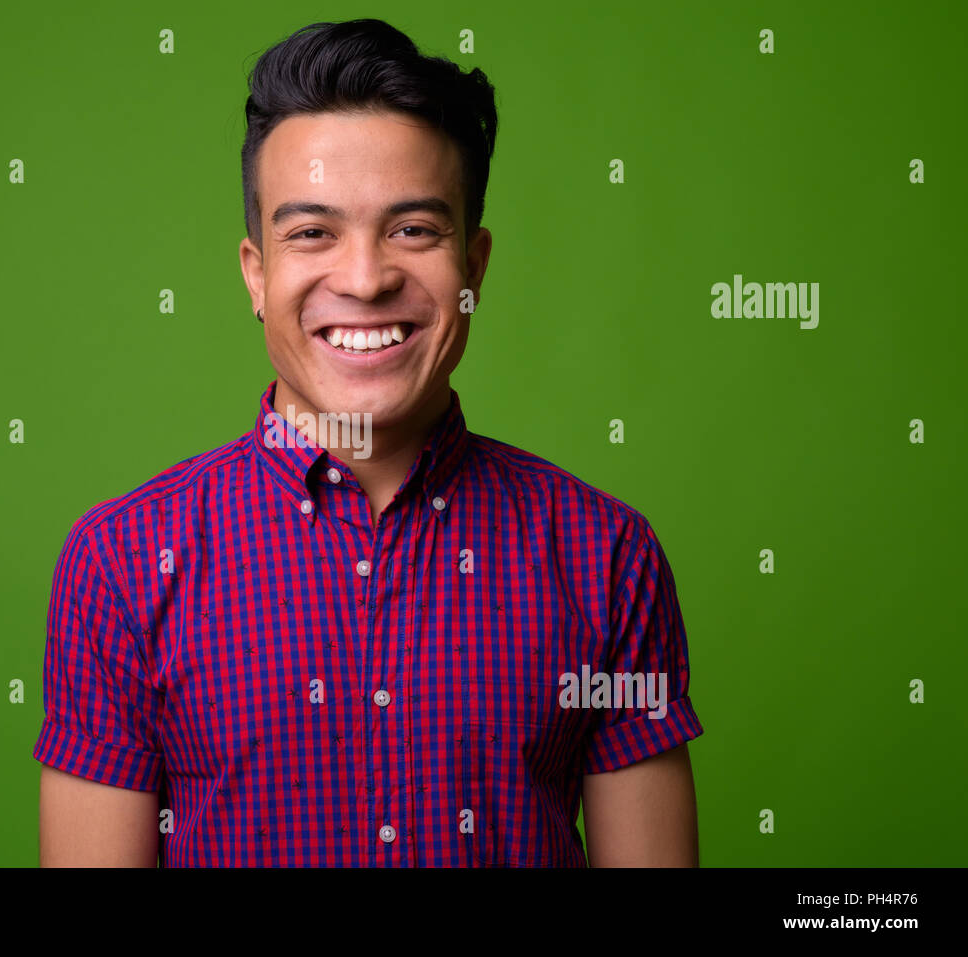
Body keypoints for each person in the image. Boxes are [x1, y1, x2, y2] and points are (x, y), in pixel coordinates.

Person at [35, 17, 702, 867]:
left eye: (414, 230)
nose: (364, 278)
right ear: (256, 272)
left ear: (476, 266)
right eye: (311, 232)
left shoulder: (607, 554)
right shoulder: (120, 560)